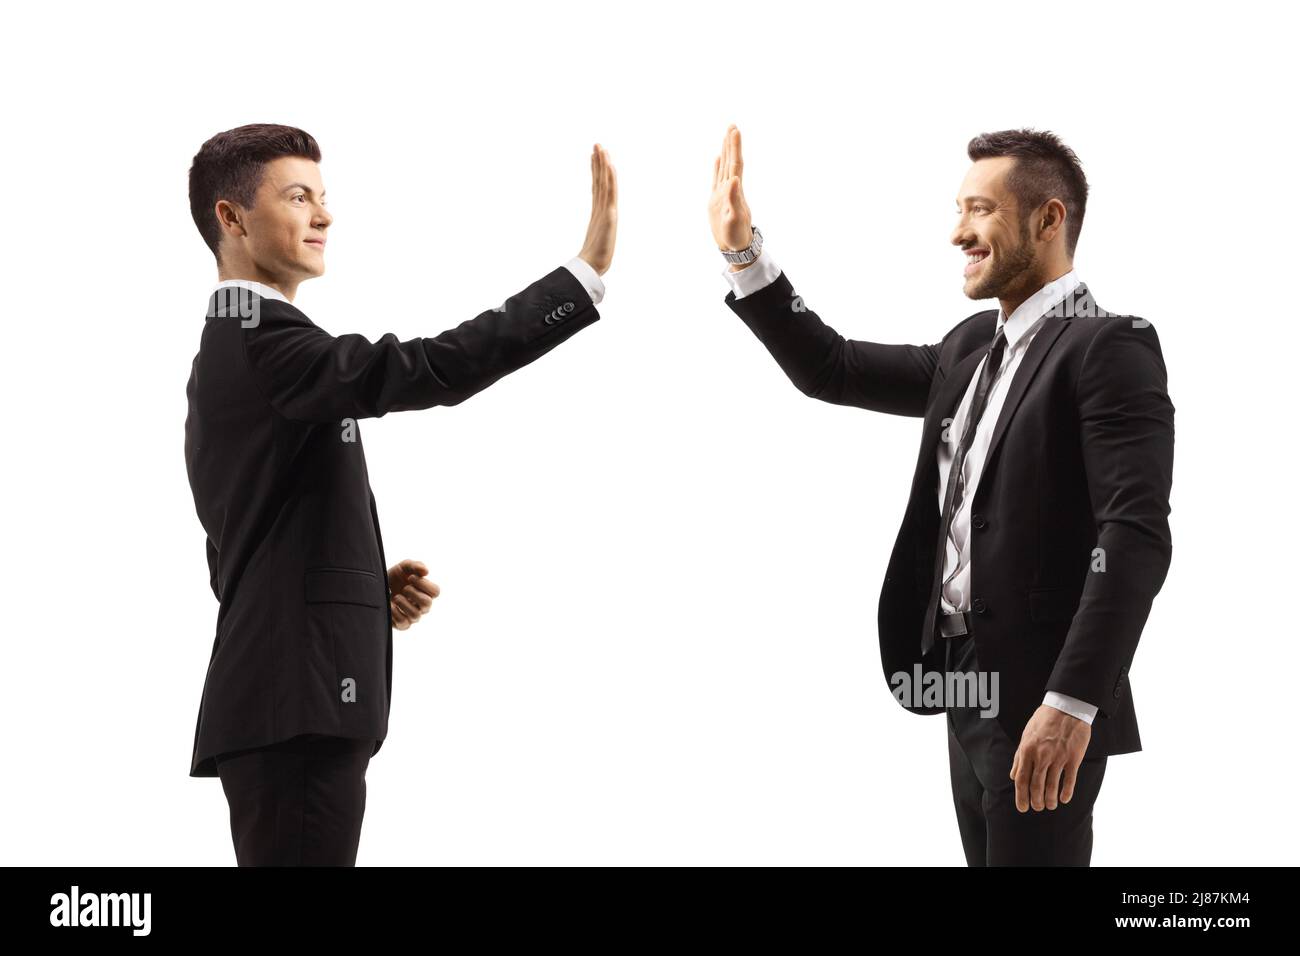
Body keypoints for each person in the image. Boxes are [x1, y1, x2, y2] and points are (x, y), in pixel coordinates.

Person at [709, 124, 1173, 865]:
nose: (958, 231)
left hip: (1042, 698)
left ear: (1048, 219)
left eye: (980, 209)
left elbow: (1134, 537)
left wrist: (1073, 702)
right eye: (959, 209)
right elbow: (832, 368)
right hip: (967, 686)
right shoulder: (967, 349)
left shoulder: (1107, 346)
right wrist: (744, 254)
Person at [184, 123, 618, 865]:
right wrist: (582, 277)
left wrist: (357, 593)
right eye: (299, 197)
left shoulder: (242, 346)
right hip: (297, 712)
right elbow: (421, 369)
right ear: (232, 219)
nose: (324, 216)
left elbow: (245, 545)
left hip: (289, 703)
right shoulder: (263, 339)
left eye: (324, 198)